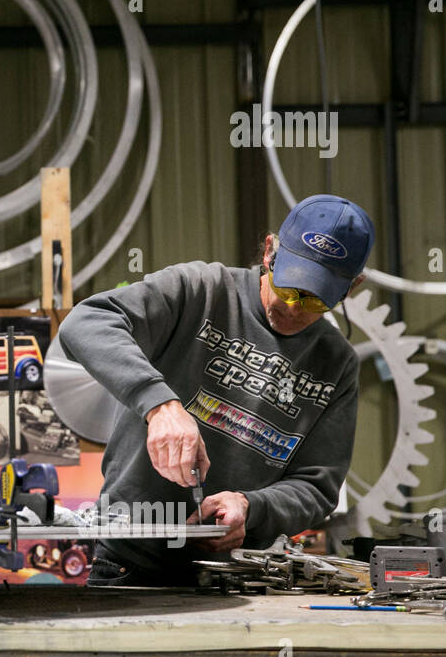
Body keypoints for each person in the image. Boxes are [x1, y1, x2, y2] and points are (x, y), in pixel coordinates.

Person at [58, 194, 375, 586]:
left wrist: (251, 506)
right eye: (289, 288)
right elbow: (86, 322)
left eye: (314, 300)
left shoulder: (336, 364)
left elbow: (316, 486)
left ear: (352, 287)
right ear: (269, 252)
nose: (294, 309)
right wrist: (160, 404)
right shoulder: (201, 290)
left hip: (236, 576)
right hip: (127, 564)